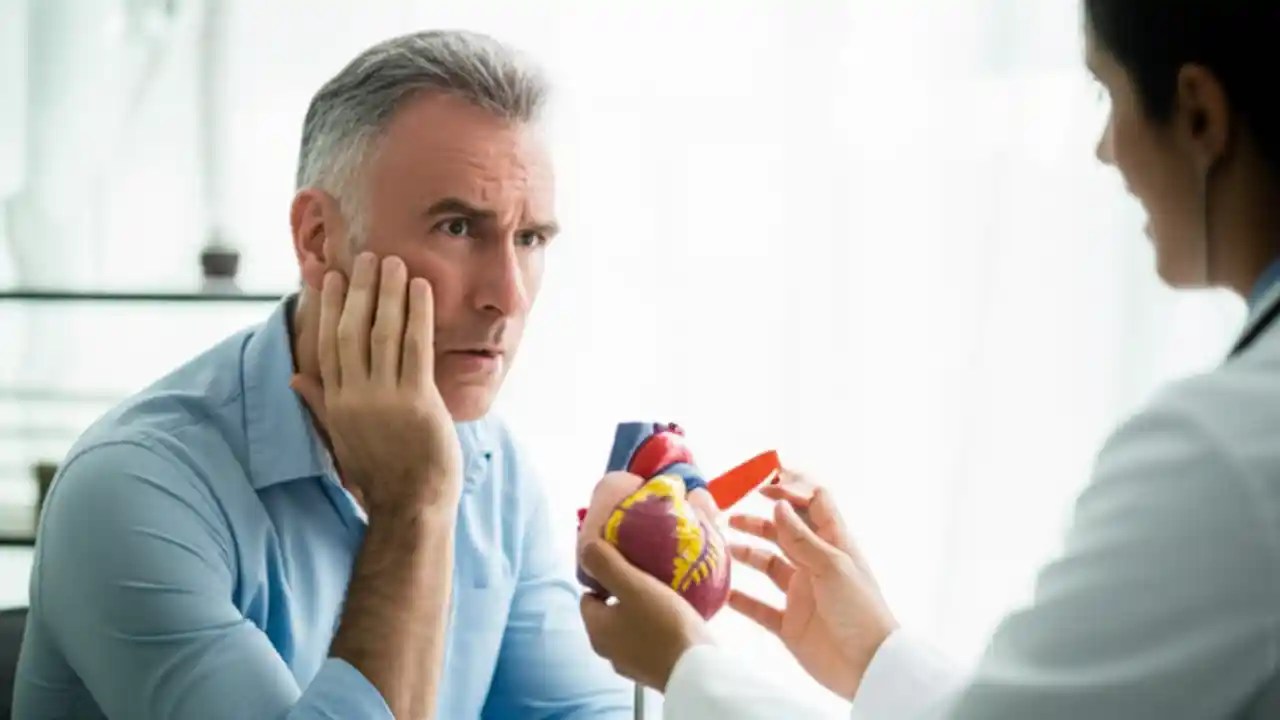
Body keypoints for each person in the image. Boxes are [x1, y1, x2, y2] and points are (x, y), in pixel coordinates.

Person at [579, 1, 1280, 718]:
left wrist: (688, 669)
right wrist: (877, 657)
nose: (1105, 149)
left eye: (1109, 95)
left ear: (1198, 113)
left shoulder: (1219, 451)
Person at [14, 30, 631, 719]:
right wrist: (414, 509)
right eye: (458, 228)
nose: (509, 297)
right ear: (317, 238)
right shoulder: (134, 487)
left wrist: (673, 648)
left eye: (530, 239)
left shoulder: (493, 461)